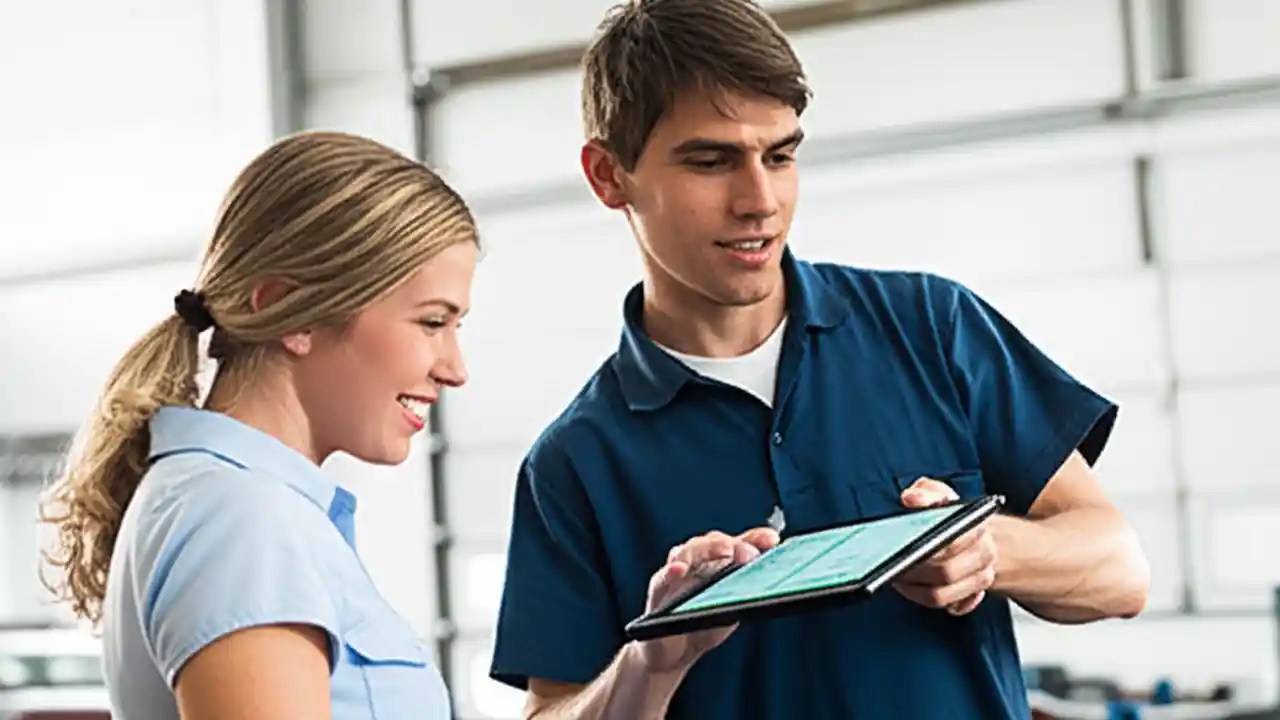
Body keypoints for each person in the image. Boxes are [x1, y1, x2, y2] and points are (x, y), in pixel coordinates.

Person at [488, 1, 1151, 718]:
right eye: (711, 162)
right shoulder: (576, 462)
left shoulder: (932, 328)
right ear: (609, 176)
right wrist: (649, 662)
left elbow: (1119, 569)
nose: (760, 201)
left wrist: (987, 550)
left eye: (780, 155)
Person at [40, 130, 478, 719]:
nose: (455, 369)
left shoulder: (234, 505)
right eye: (431, 323)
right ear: (289, 312)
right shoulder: (240, 518)